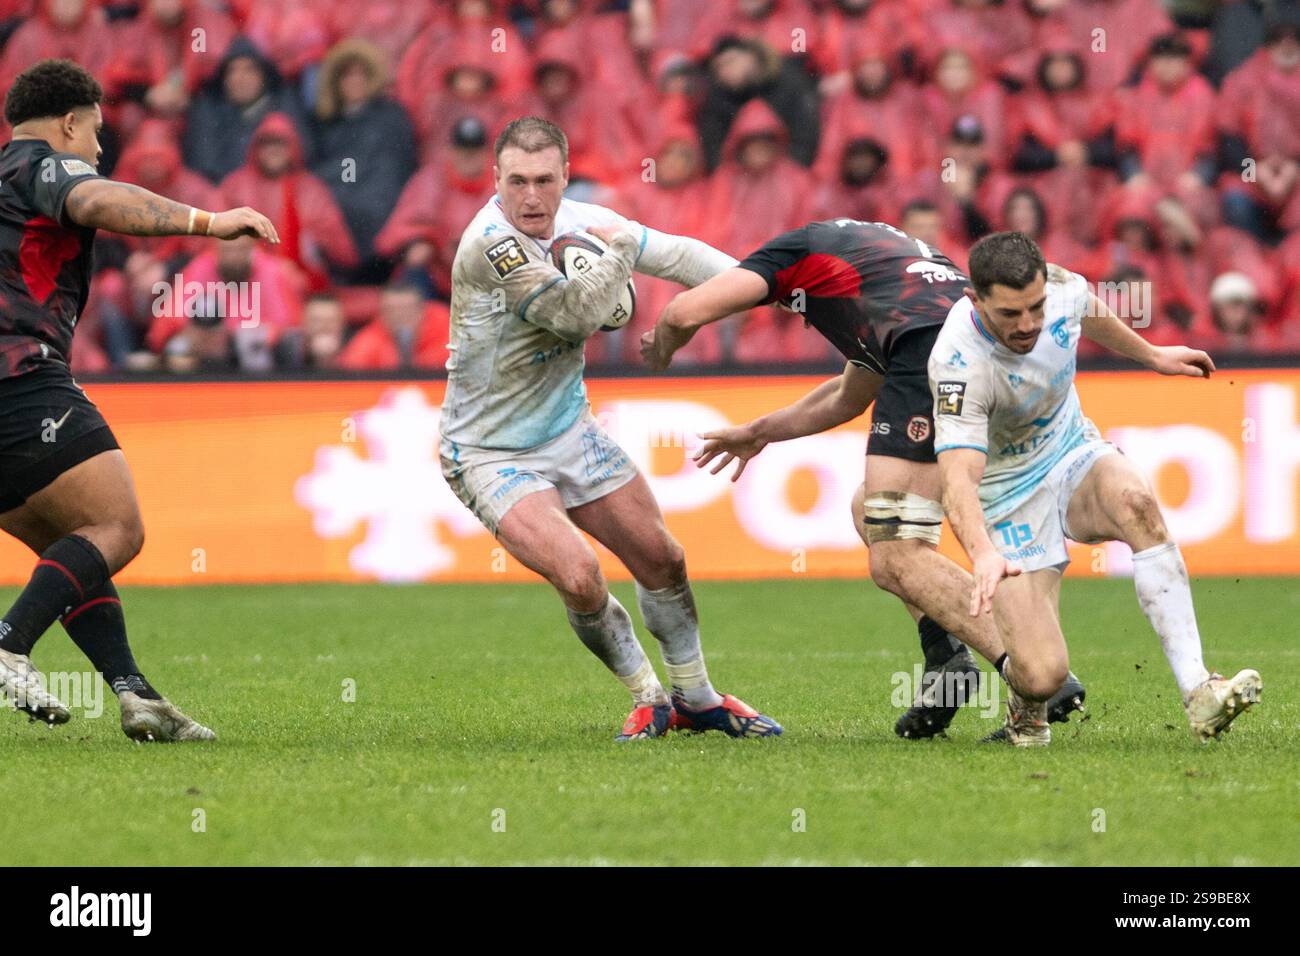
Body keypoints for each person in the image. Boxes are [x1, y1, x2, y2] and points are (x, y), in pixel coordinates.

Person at [642, 217, 1086, 738]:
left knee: (895, 554)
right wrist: (759, 432)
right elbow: (845, 397)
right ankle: (945, 658)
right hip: (986, 358)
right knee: (867, 508)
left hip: (932, 361)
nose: (800, 319)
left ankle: (1036, 672)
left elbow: (682, 310)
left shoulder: (793, 254)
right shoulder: (878, 271)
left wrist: (662, 350)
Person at [440, 116, 780, 741]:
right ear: (496, 180)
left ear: (567, 177)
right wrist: (620, 254)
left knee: (663, 558)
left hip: (568, 428)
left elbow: (676, 254)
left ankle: (697, 698)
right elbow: (572, 316)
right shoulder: (490, 244)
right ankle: (648, 697)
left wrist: (763, 286)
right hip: (488, 450)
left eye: (546, 181)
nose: (532, 197)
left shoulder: (579, 220)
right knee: (579, 574)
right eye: (517, 182)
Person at [0, 59, 278, 741]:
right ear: (70, 122)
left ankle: (137, 695)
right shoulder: (41, 166)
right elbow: (94, 201)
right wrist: (211, 222)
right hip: (21, 379)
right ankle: (7, 644)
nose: (98, 151)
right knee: (118, 529)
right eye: (95, 134)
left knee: (72, 551)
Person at [928, 231, 1260, 745]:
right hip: (1006, 496)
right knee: (1043, 675)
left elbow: (1083, 308)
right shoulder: (958, 364)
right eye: (1011, 315)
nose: (1030, 324)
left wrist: (1151, 356)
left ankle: (1200, 690)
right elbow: (956, 478)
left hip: (1069, 452)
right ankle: (1024, 710)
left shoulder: (1059, 287)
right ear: (976, 300)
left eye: (1035, 307)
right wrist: (982, 553)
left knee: (1136, 502)